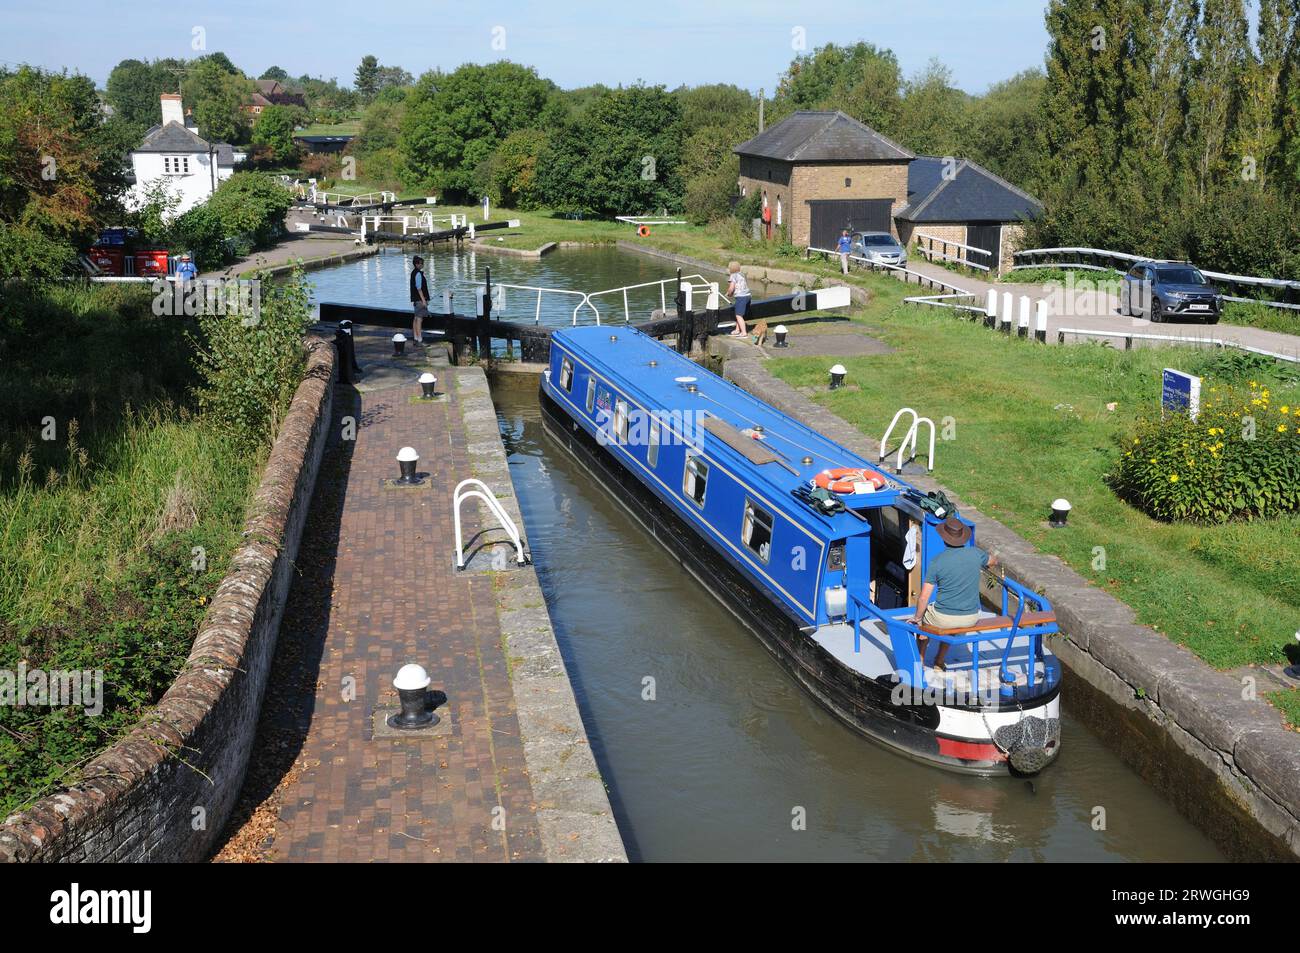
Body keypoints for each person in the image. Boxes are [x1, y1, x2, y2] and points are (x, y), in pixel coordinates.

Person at [910, 516, 997, 671]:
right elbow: (992, 561)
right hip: (971, 617)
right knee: (950, 624)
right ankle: (939, 661)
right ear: (963, 537)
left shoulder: (937, 562)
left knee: (924, 618)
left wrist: (917, 618)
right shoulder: (976, 554)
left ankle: (920, 662)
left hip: (944, 618)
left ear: (944, 538)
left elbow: (923, 598)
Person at [726, 261, 751, 337]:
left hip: (741, 297)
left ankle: (744, 332)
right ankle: (737, 330)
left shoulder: (733, 276)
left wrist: (729, 294)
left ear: (730, 269)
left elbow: (731, 288)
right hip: (748, 296)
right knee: (739, 314)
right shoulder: (742, 275)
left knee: (738, 315)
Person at [409, 255, 430, 345]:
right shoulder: (418, 274)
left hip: (415, 299)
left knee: (415, 318)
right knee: (419, 319)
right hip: (419, 300)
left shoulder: (413, 272)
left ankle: (415, 337)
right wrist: (424, 300)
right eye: (421, 264)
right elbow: (419, 288)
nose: (422, 265)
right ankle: (419, 339)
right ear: (417, 264)